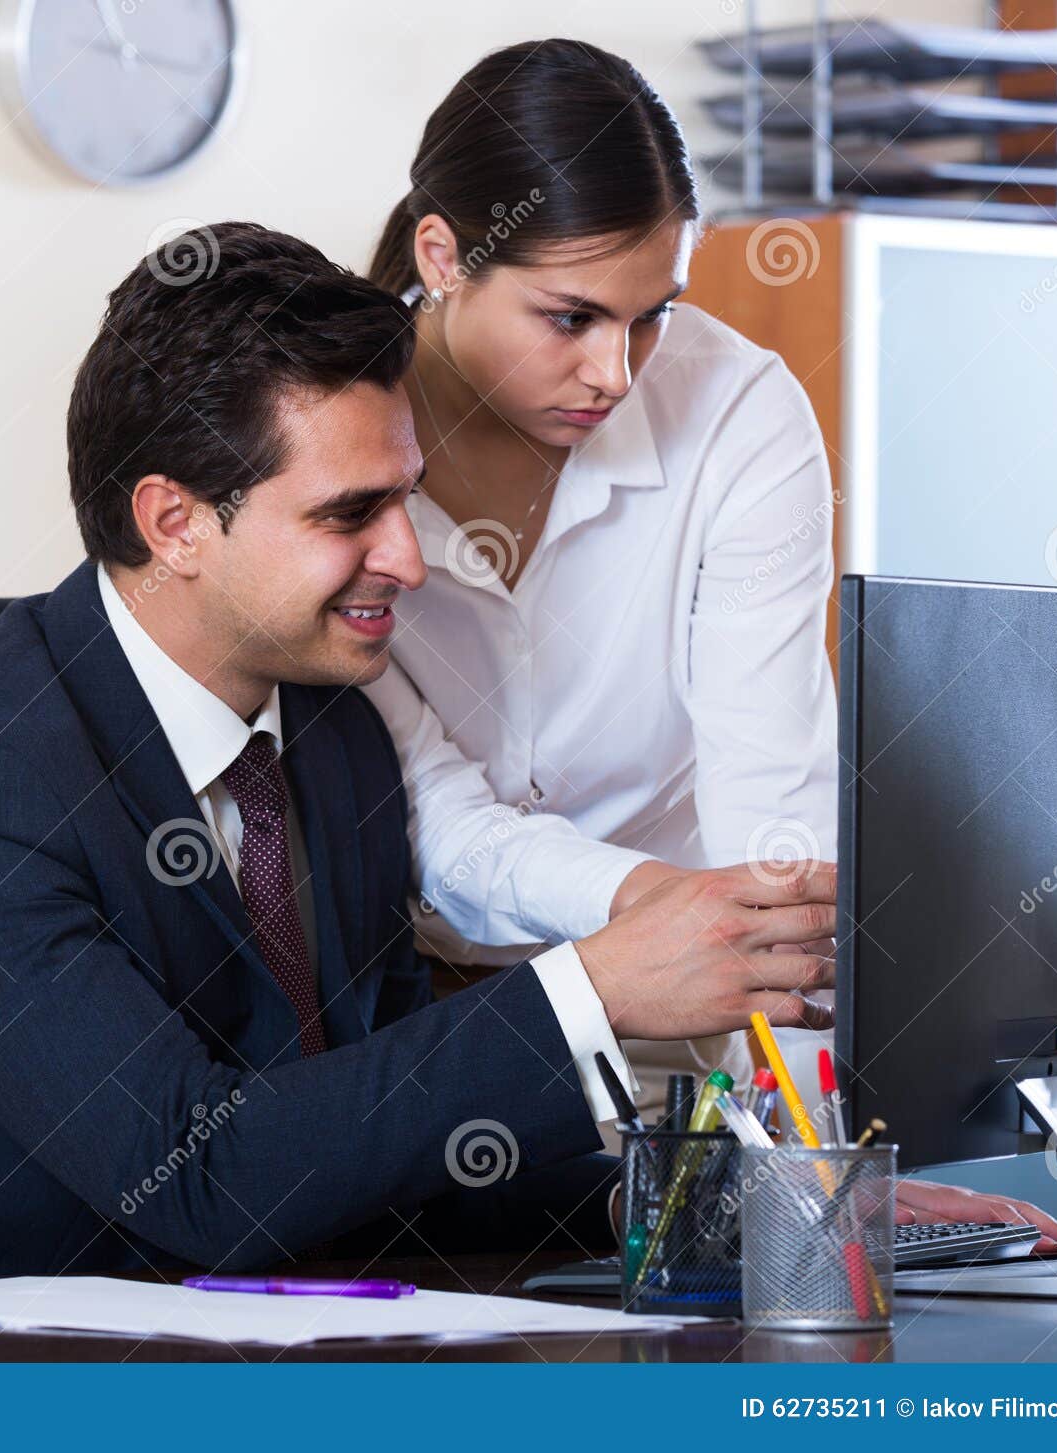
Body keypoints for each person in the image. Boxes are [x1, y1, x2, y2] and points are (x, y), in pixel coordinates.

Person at [0, 223, 843, 1287]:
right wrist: (592, 986)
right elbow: (202, 1176)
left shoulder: (330, 737)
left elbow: (381, 1144)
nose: (409, 562)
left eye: (406, 500)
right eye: (350, 514)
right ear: (174, 522)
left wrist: (698, 1202)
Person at [359, 37, 838, 1111]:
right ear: (441, 256)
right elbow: (433, 819)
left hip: (692, 1016)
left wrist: (813, 1147)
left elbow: (774, 802)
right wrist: (656, 902)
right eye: (569, 317)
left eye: (650, 313)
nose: (612, 374)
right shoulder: (335, 432)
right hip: (409, 1021)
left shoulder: (737, 413)